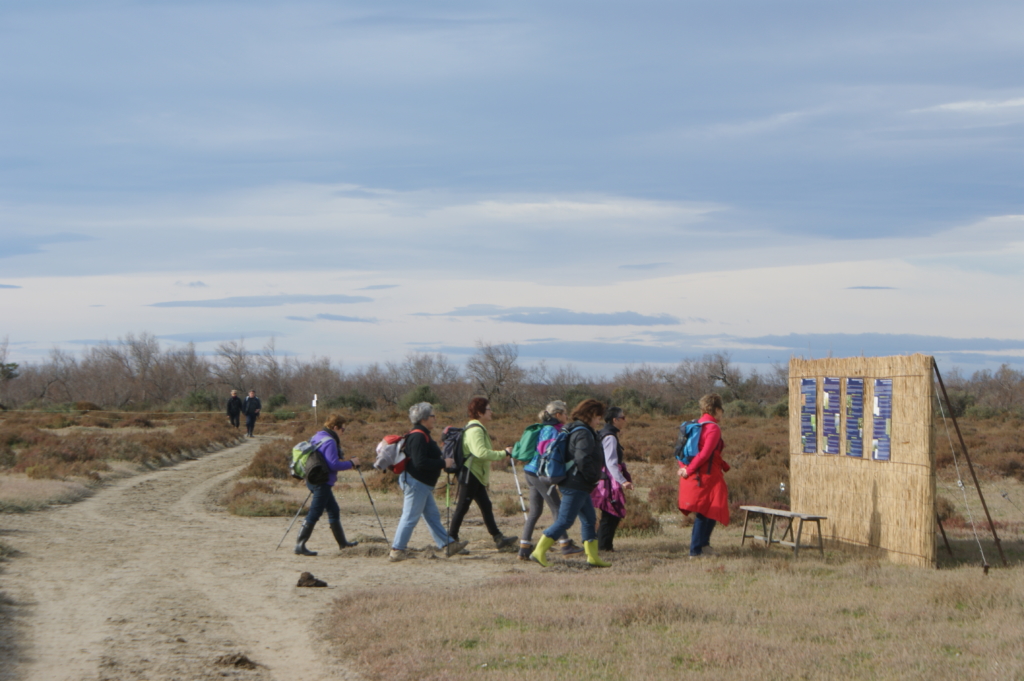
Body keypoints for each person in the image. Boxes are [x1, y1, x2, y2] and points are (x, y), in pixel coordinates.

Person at [531, 399, 611, 568]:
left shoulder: (575, 428)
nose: (599, 421)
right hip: (576, 484)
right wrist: (592, 476)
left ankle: (592, 557)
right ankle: (538, 552)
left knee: (589, 520)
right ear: (590, 415)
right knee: (565, 521)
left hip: (579, 484)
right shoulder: (583, 433)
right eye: (598, 417)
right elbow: (582, 458)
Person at [390, 402, 469, 562]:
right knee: (410, 517)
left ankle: (448, 545)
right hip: (416, 483)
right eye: (433, 415)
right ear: (424, 418)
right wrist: (443, 463)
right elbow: (420, 462)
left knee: (432, 516)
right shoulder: (418, 436)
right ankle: (397, 550)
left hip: (421, 484)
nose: (435, 418)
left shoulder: (420, 434)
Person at [448, 398, 519, 550]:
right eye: (488, 409)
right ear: (480, 413)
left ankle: (498, 538)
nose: (491, 411)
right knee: (462, 507)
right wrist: (504, 453)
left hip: (475, 474)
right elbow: (480, 453)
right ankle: (451, 541)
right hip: (471, 474)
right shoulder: (475, 430)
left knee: (486, 505)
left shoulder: (476, 428)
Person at [517, 401, 583, 560]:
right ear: (558, 414)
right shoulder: (549, 429)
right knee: (557, 509)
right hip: (540, 475)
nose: (567, 416)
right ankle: (565, 545)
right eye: (565, 413)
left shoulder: (549, 428)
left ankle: (524, 548)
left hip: (531, 472)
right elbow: (544, 450)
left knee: (536, 511)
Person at [294, 414, 361, 556]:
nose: (343, 432)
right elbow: (333, 465)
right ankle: (300, 545)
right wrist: (351, 463)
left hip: (313, 479)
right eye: (343, 429)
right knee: (315, 512)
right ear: (335, 427)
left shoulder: (318, 436)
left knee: (333, 510)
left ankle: (343, 544)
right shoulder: (330, 441)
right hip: (321, 482)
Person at [678, 393, 731, 558]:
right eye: (721, 410)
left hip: (697, 474)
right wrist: (689, 470)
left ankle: (704, 545)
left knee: (711, 508)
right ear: (716, 409)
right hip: (706, 476)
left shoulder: (695, 425)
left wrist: (684, 468)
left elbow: (681, 450)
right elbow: (705, 454)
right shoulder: (713, 428)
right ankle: (696, 550)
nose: (722, 414)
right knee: (706, 510)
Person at [592, 407, 634, 552]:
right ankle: (603, 547)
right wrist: (623, 481)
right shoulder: (610, 437)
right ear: (614, 420)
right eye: (623, 418)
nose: (625, 420)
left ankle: (604, 545)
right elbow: (611, 462)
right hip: (608, 480)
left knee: (609, 513)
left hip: (604, 478)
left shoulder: (604, 433)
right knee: (611, 512)